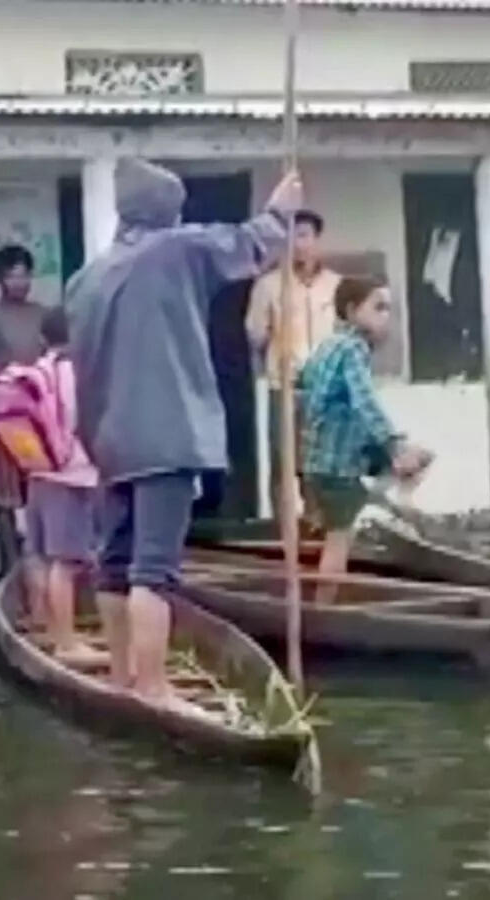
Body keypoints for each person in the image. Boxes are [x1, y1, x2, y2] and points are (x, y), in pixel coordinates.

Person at [67, 158, 300, 712]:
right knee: (154, 570)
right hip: (166, 435)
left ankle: (122, 677)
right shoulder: (172, 251)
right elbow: (246, 244)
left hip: (109, 439)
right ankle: (154, 689)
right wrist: (280, 212)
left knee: (115, 564)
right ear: (166, 213)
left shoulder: (86, 279)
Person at [297, 277, 432, 605]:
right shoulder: (352, 348)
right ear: (351, 310)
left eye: (388, 309)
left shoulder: (329, 345)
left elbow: (304, 386)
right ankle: (323, 609)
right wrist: (395, 445)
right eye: (378, 307)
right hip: (337, 464)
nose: (386, 317)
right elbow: (365, 401)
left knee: (420, 458)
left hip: (322, 459)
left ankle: (384, 506)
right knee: (338, 542)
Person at [244, 210, 342, 516]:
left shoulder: (336, 285)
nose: (297, 244)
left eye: (303, 236)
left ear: (316, 240)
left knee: (321, 463)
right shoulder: (269, 285)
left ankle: (317, 524)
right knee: (283, 462)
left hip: (326, 388)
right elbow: (255, 335)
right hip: (284, 387)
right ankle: (282, 528)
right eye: (289, 237)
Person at [20, 310, 102, 665]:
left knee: (40, 557)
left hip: (38, 472)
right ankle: (67, 643)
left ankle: (49, 629)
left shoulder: (36, 370)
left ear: (43, 338)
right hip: (71, 474)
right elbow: (82, 422)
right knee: (66, 563)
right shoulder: (75, 373)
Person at [0, 245, 48, 574]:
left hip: (40, 414)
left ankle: (40, 555)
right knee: (5, 493)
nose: (20, 282)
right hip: (4, 417)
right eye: (13, 276)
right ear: (0, 279)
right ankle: (11, 563)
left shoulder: (41, 316)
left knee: (41, 487)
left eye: (25, 275)